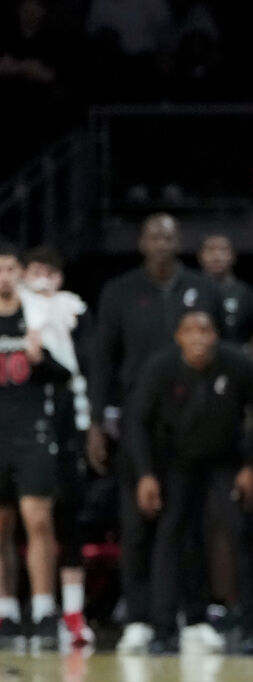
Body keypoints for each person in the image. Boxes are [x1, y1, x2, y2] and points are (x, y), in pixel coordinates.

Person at [91, 214, 225, 654]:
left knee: (191, 525)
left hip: (194, 422)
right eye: (154, 236)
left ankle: (196, 616)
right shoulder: (120, 292)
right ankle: (139, 617)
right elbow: (103, 360)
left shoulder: (202, 289)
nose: (162, 243)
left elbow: (224, 352)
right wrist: (96, 420)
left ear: (178, 241)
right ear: (142, 243)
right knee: (136, 526)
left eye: (169, 236)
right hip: (138, 423)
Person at [126, 308, 253, 653]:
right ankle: (163, 628)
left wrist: (252, 465)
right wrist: (145, 474)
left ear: (216, 335)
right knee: (170, 534)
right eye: (190, 331)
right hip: (176, 460)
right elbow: (137, 423)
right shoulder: (161, 368)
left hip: (225, 460)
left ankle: (251, 626)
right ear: (178, 338)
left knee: (239, 531)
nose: (198, 338)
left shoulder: (240, 366)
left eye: (205, 331)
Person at [21, 246, 92, 648]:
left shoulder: (75, 315)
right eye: (34, 270)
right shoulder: (14, 317)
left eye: (49, 270)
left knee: (66, 517)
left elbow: (82, 367)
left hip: (70, 424)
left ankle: (70, 612)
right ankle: (20, 609)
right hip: (21, 427)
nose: (41, 278)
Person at [0, 244, 68, 651]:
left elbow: (67, 372)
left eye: (11, 267)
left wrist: (40, 358)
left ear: (22, 273)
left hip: (33, 434)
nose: (5, 275)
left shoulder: (40, 317)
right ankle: (5, 609)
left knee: (38, 522)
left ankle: (44, 609)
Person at [197, 234, 253, 373]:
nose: (217, 256)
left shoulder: (249, 296)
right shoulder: (188, 294)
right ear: (200, 256)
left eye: (223, 250)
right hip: (196, 368)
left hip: (235, 370)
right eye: (210, 250)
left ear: (233, 256)